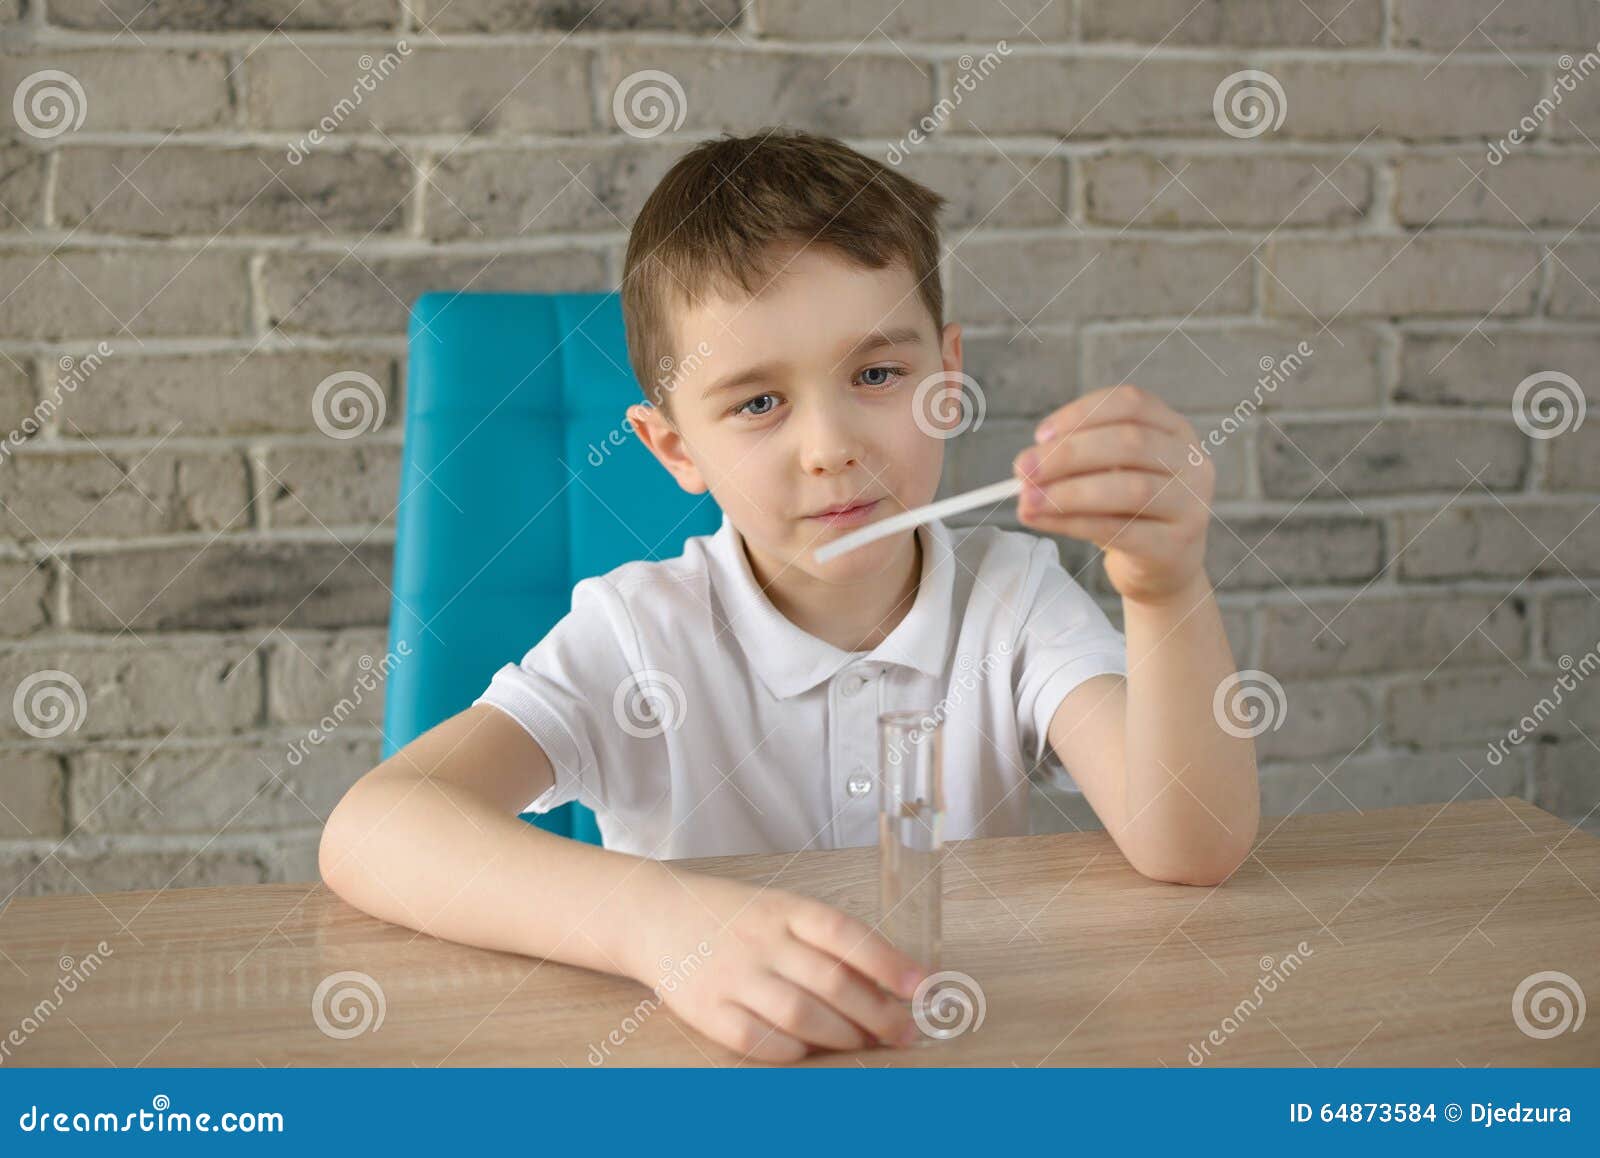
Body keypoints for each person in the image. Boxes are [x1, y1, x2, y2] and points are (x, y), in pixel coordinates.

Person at [319, 128, 1259, 1064]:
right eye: (758, 403)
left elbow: (1193, 844)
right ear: (674, 447)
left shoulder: (1012, 596)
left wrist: (1165, 587)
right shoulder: (639, 634)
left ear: (948, 375)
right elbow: (377, 827)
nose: (829, 446)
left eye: (878, 374)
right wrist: (660, 925)